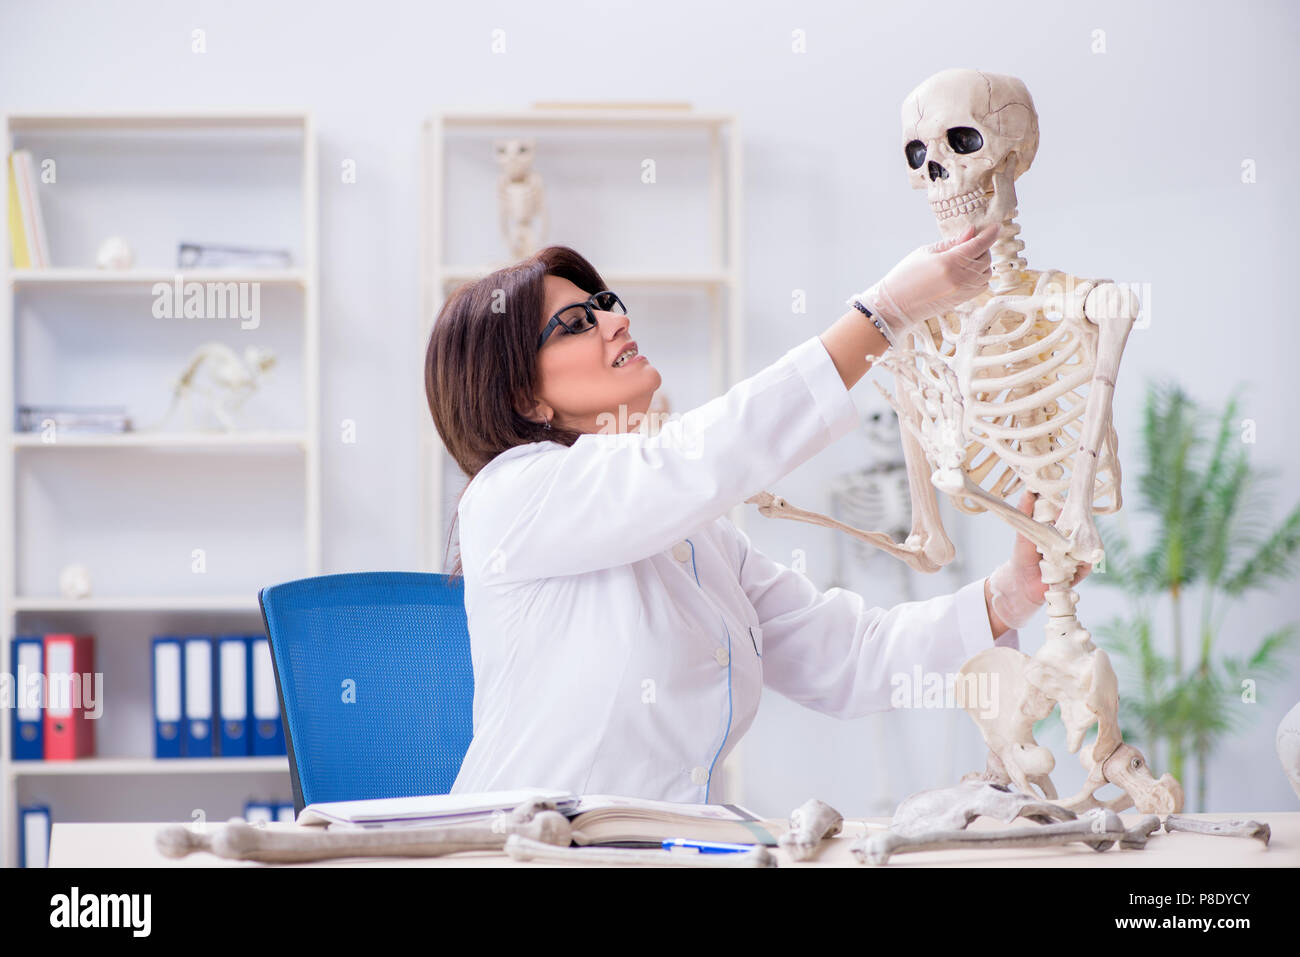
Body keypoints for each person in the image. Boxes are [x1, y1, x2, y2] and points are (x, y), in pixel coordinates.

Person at [423, 225, 1090, 803]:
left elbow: (851, 656)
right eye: (576, 322)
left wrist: (1008, 596)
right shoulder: (509, 497)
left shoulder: (696, 537)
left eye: (605, 304)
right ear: (524, 397)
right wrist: (884, 314)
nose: (616, 320)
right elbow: (701, 457)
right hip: (522, 851)